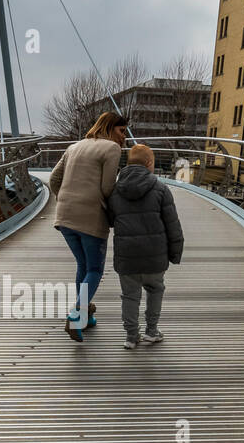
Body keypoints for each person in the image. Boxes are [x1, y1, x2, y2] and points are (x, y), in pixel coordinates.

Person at [49, 110, 126, 342]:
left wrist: (66, 200)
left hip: (64, 216)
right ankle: (75, 316)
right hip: (91, 217)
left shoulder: (74, 147)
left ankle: (85, 316)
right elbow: (107, 189)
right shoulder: (112, 149)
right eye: (121, 131)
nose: (124, 137)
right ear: (110, 128)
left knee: (83, 266)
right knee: (95, 269)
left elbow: (53, 179)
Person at [106, 142, 184, 349]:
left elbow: (111, 219)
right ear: (149, 163)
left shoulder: (114, 190)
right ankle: (152, 331)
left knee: (129, 296)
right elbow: (173, 225)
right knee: (155, 290)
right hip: (154, 254)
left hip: (127, 255)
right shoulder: (160, 188)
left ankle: (131, 337)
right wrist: (175, 254)